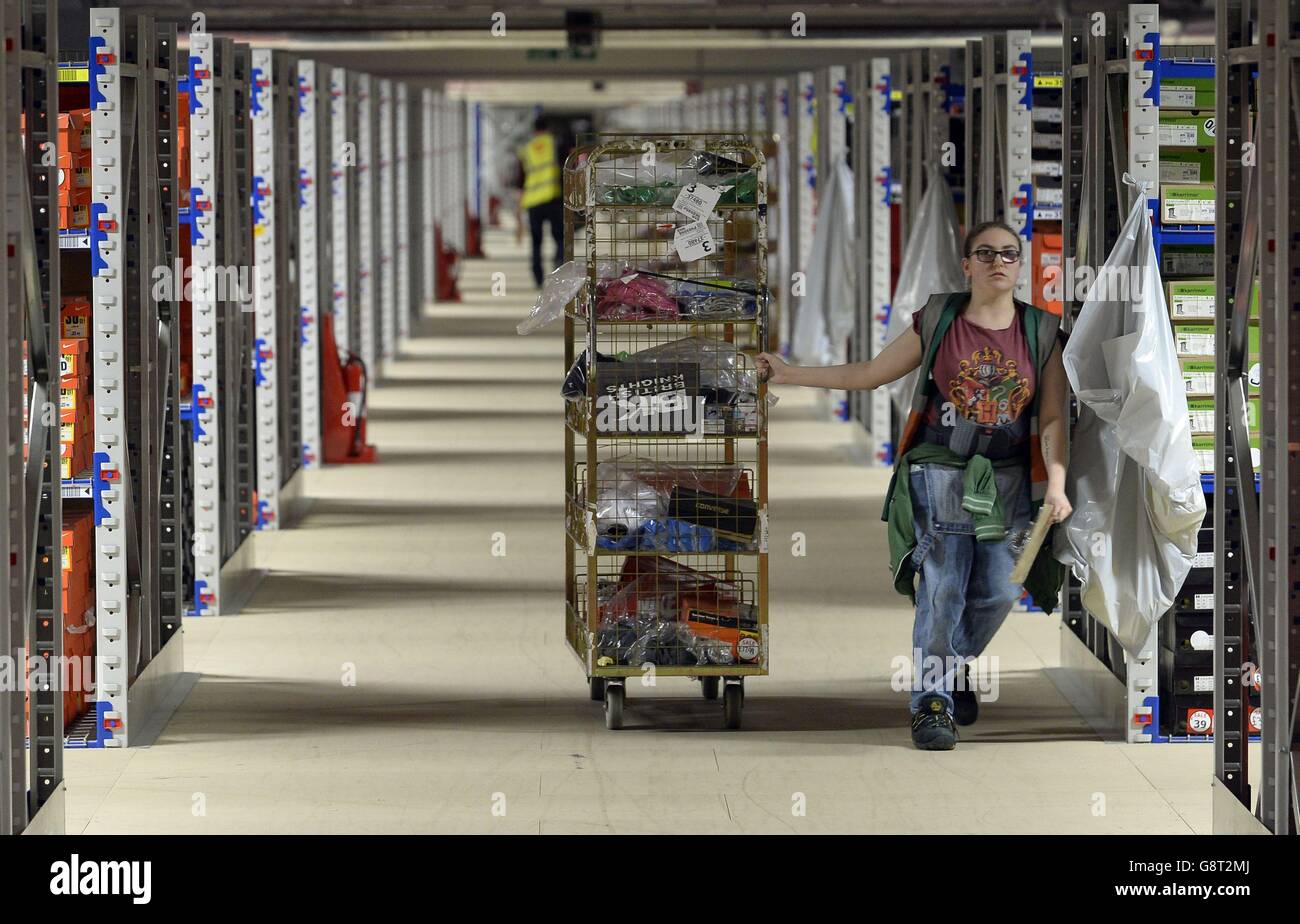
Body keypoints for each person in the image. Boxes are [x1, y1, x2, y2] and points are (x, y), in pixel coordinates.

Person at [757, 221, 1073, 752]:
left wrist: (1058, 482)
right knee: (944, 586)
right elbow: (872, 373)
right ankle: (931, 704)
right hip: (940, 468)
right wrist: (790, 374)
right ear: (967, 264)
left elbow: (1053, 419)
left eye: (1010, 254)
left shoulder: (1042, 332)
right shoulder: (939, 320)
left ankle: (949, 668)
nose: (1000, 262)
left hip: (1008, 478)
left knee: (998, 589)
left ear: (1021, 266)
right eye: (986, 253)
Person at [515, 114, 565, 288]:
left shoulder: (526, 149)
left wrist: (518, 208)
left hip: (533, 201)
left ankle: (537, 277)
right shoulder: (555, 144)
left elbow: (520, 179)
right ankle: (559, 266)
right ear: (547, 128)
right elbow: (566, 168)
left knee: (536, 241)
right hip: (553, 197)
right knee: (559, 237)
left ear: (534, 130)